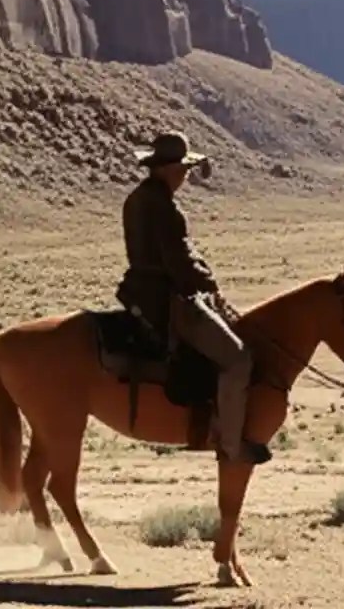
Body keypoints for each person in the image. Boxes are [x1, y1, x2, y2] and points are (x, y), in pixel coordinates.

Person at [116, 131, 270, 466]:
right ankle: (231, 447)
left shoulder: (138, 199)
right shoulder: (165, 207)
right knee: (238, 359)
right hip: (168, 299)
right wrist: (208, 282)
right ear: (168, 169)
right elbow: (179, 261)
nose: (186, 175)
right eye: (183, 169)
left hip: (141, 292)